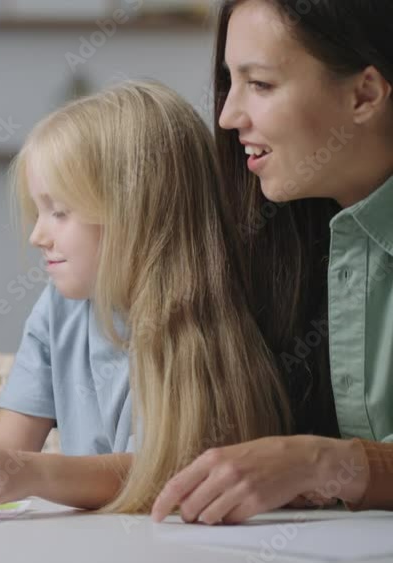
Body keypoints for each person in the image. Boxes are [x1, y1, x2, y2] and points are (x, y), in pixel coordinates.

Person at [0, 80, 290, 514]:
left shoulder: (200, 328)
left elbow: (162, 474)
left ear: (137, 213)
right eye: (39, 212)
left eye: (59, 212)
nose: (38, 235)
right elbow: (4, 450)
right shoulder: (59, 309)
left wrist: (31, 472)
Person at [152, 0, 393, 524]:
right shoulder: (269, 240)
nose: (227, 116)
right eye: (229, 82)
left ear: (365, 94)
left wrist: (319, 461)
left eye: (259, 84)